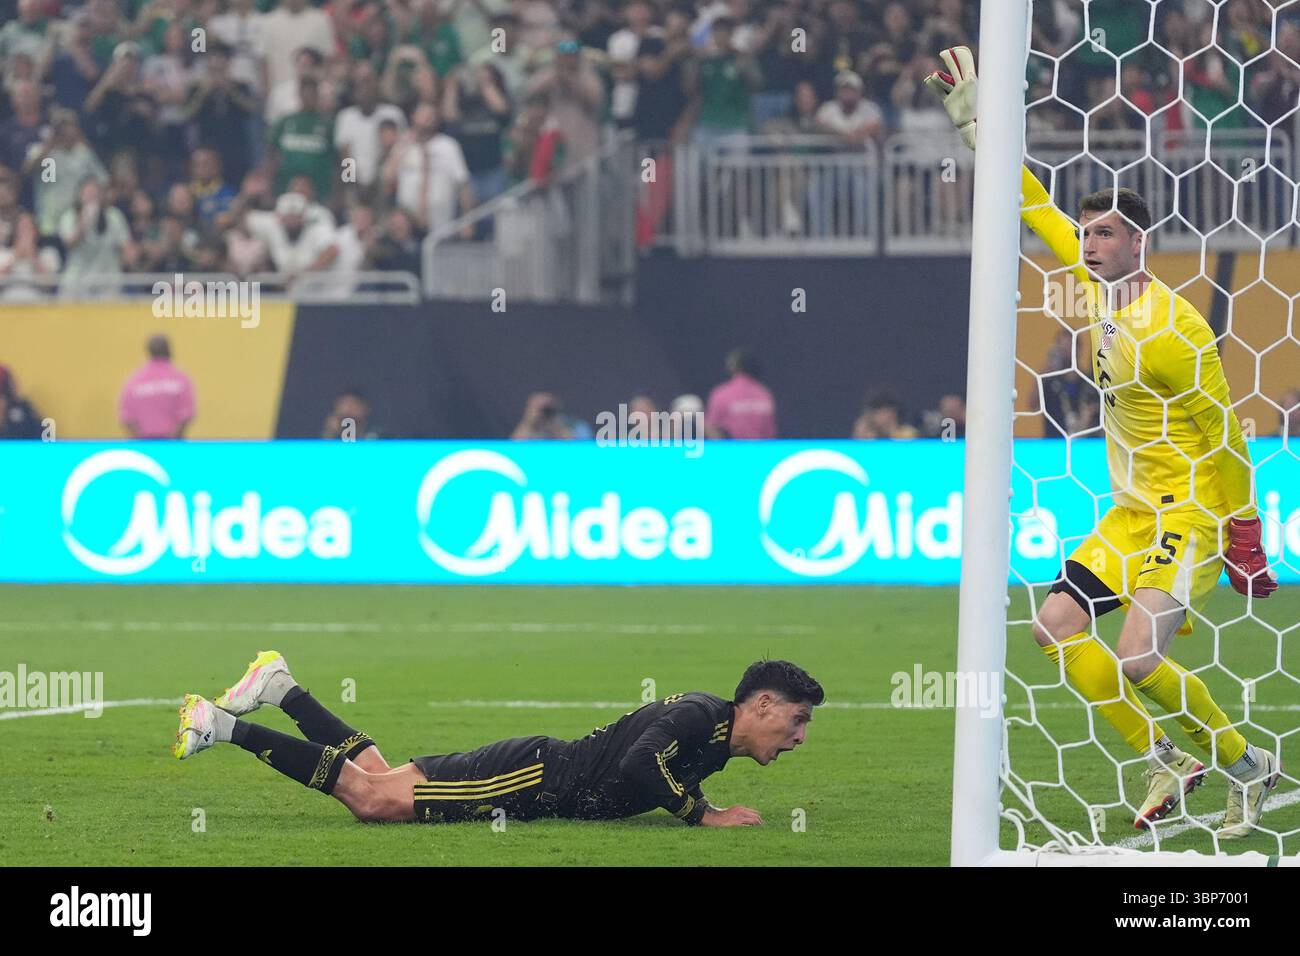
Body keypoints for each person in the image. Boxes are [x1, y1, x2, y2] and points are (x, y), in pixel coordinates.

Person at [928, 47, 1281, 837]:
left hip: (1187, 514)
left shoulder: (1175, 331)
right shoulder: (1093, 289)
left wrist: (1243, 529)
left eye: (1107, 233)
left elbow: (1223, 432)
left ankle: (1246, 767)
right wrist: (979, 122)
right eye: (1087, 232)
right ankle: (1165, 756)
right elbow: (1030, 204)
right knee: (1053, 625)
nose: (1089, 243)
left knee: (1136, 659)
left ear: (1139, 243)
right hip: (1128, 514)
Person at [174, 652, 821, 827]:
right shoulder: (700, 715)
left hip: (538, 773)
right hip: (535, 777)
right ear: (761, 704)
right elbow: (639, 761)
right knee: (372, 800)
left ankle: (281, 687)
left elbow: (655, 768)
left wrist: (697, 799)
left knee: (384, 774)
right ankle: (221, 723)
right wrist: (700, 814)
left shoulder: (714, 735)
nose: (798, 736)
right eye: (796, 719)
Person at [118, 334, 197, 439]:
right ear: (169, 350)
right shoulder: (180, 379)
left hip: (143, 445)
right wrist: (171, 441)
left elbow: (127, 417)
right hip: (173, 446)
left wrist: (140, 441)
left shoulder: (135, 380)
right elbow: (186, 415)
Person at [705, 347, 776, 438]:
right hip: (761, 450)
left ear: (734, 367)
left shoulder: (722, 394)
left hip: (733, 450)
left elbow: (712, 429)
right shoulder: (764, 394)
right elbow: (770, 434)